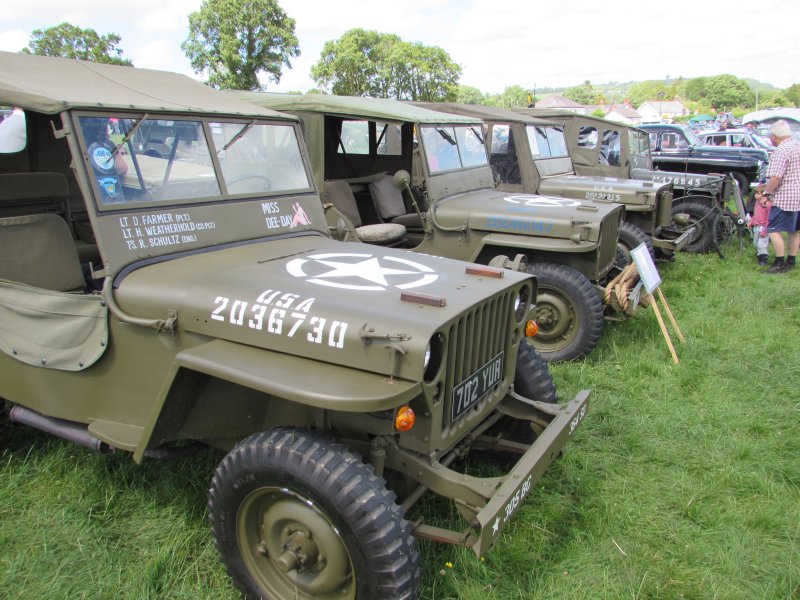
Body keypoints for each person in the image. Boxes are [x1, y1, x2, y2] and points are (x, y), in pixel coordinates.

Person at [762, 120, 800, 274]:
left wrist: (767, 193)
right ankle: (791, 260)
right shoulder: (797, 146)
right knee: (795, 230)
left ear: (774, 137)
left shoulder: (781, 150)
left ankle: (779, 263)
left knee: (772, 229)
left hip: (786, 197)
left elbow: (776, 177)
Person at [81, 117, 128, 203]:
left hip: (88, 195)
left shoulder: (80, 145)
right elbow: (122, 168)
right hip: (110, 193)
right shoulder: (109, 145)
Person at [748, 188, 771, 266]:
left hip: (764, 227)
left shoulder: (768, 205)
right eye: (755, 193)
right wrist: (751, 222)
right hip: (757, 227)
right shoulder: (757, 203)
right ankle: (759, 255)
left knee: (762, 243)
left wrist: (765, 230)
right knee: (755, 243)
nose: (755, 195)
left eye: (757, 194)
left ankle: (763, 259)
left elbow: (769, 219)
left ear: (764, 195)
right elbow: (755, 214)